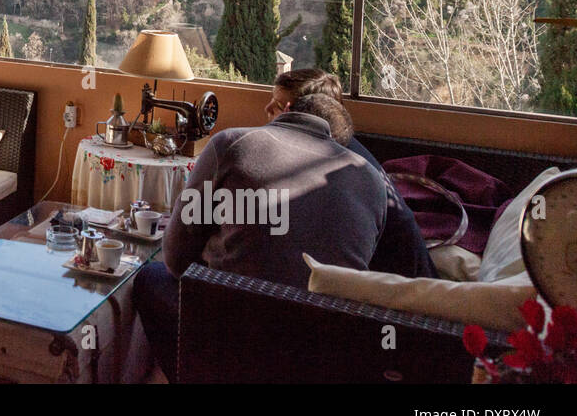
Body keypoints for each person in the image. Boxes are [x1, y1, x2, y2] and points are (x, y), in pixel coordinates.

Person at [133, 88, 387, 380]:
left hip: (237, 333)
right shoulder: (372, 180)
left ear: (288, 107)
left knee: (149, 278)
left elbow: (176, 259)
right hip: (325, 351)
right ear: (337, 141)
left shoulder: (231, 143)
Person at [267, 68, 436, 279]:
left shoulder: (341, 172)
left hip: (390, 287)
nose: (267, 108)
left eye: (279, 106)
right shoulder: (339, 149)